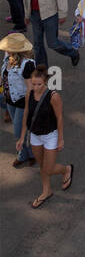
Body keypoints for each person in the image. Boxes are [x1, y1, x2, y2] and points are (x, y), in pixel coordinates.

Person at [18, 66, 73, 208]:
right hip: (35, 135)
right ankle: (46, 191)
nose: (36, 87)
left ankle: (65, 169)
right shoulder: (29, 93)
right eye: (34, 84)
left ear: (46, 83)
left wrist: (60, 139)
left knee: (48, 169)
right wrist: (22, 137)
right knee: (42, 165)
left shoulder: (53, 96)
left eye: (39, 84)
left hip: (50, 136)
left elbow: (60, 118)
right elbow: (26, 114)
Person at [2, 30, 36, 168]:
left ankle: (24, 155)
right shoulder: (7, 59)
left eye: (9, 49)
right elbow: (4, 76)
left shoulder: (27, 64)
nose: (6, 50)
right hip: (10, 100)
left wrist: (28, 106)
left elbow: (30, 88)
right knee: (23, 129)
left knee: (18, 131)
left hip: (23, 103)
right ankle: (30, 153)